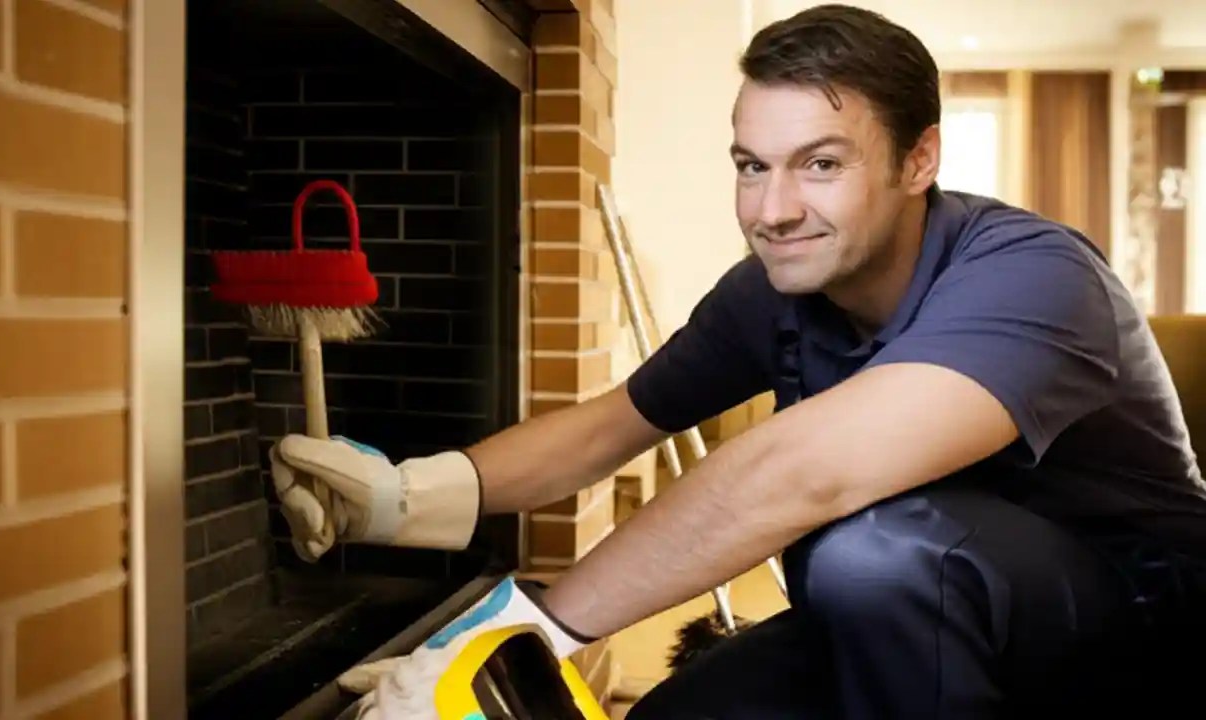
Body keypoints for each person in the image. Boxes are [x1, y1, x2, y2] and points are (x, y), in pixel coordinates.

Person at [268, 4, 1206, 718]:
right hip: (906, 613)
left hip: (1127, 633)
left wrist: (521, 631)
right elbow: (613, 425)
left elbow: (806, 472)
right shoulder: (775, 288)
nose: (773, 208)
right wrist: (405, 495)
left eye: (821, 164)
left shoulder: (1037, 276)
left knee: (872, 553)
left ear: (919, 161)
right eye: (753, 165)